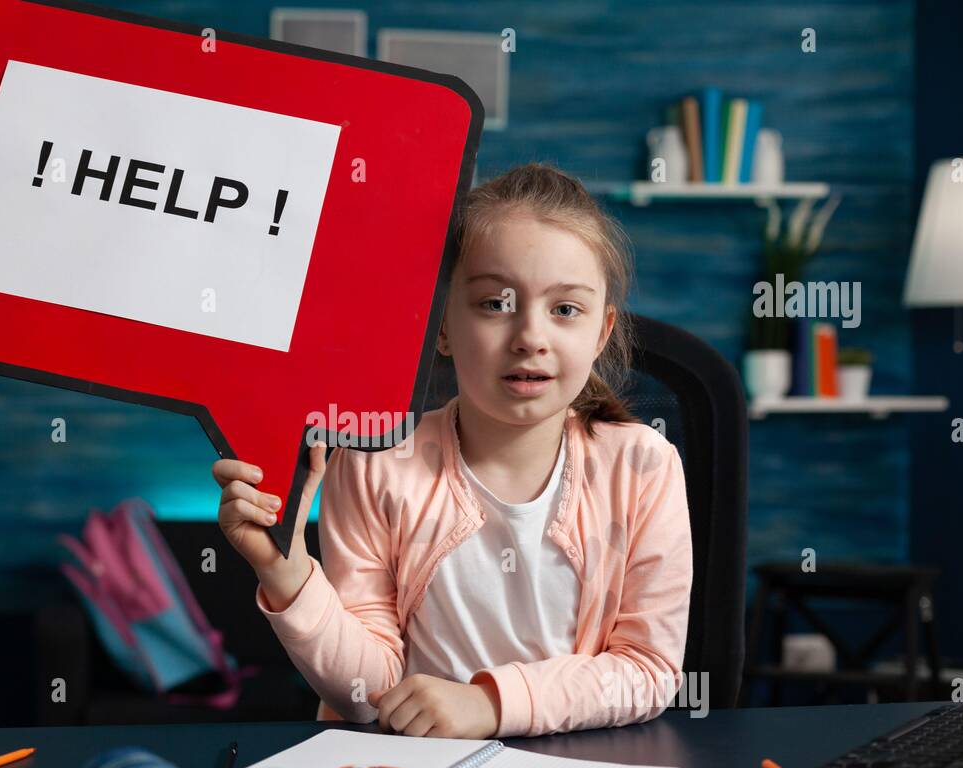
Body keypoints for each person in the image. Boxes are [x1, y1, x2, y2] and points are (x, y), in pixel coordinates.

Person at [212, 162, 692, 738]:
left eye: (565, 309)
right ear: (442, 325)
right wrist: (286, 573)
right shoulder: (372, 463)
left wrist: (489, 706)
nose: (530, 337)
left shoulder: (644, 464)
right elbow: (367, 693)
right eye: (495, 304)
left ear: (602, 332)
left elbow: (648, 670)